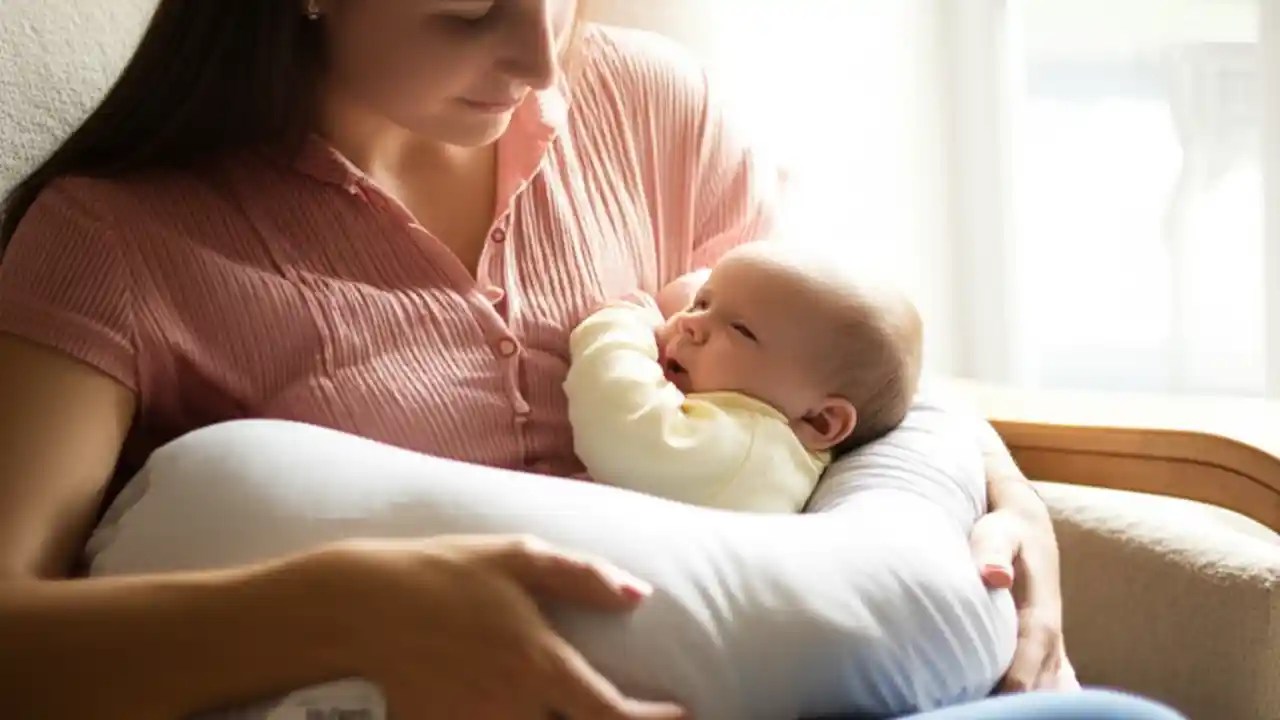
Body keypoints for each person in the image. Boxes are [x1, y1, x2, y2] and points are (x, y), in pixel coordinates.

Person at [0, 1, 1180, 718]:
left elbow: (845, 369)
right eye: (468, 11)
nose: (539, 58)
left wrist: (1008, 500)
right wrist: (342, 608)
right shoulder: (115, 245)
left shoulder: (648, 106)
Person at [564, 244, 923, 512]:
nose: (689, 323)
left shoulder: (748, 450)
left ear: (821, 419)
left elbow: (621, 424)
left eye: (741, 330)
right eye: (701, 304)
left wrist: (621, 323)